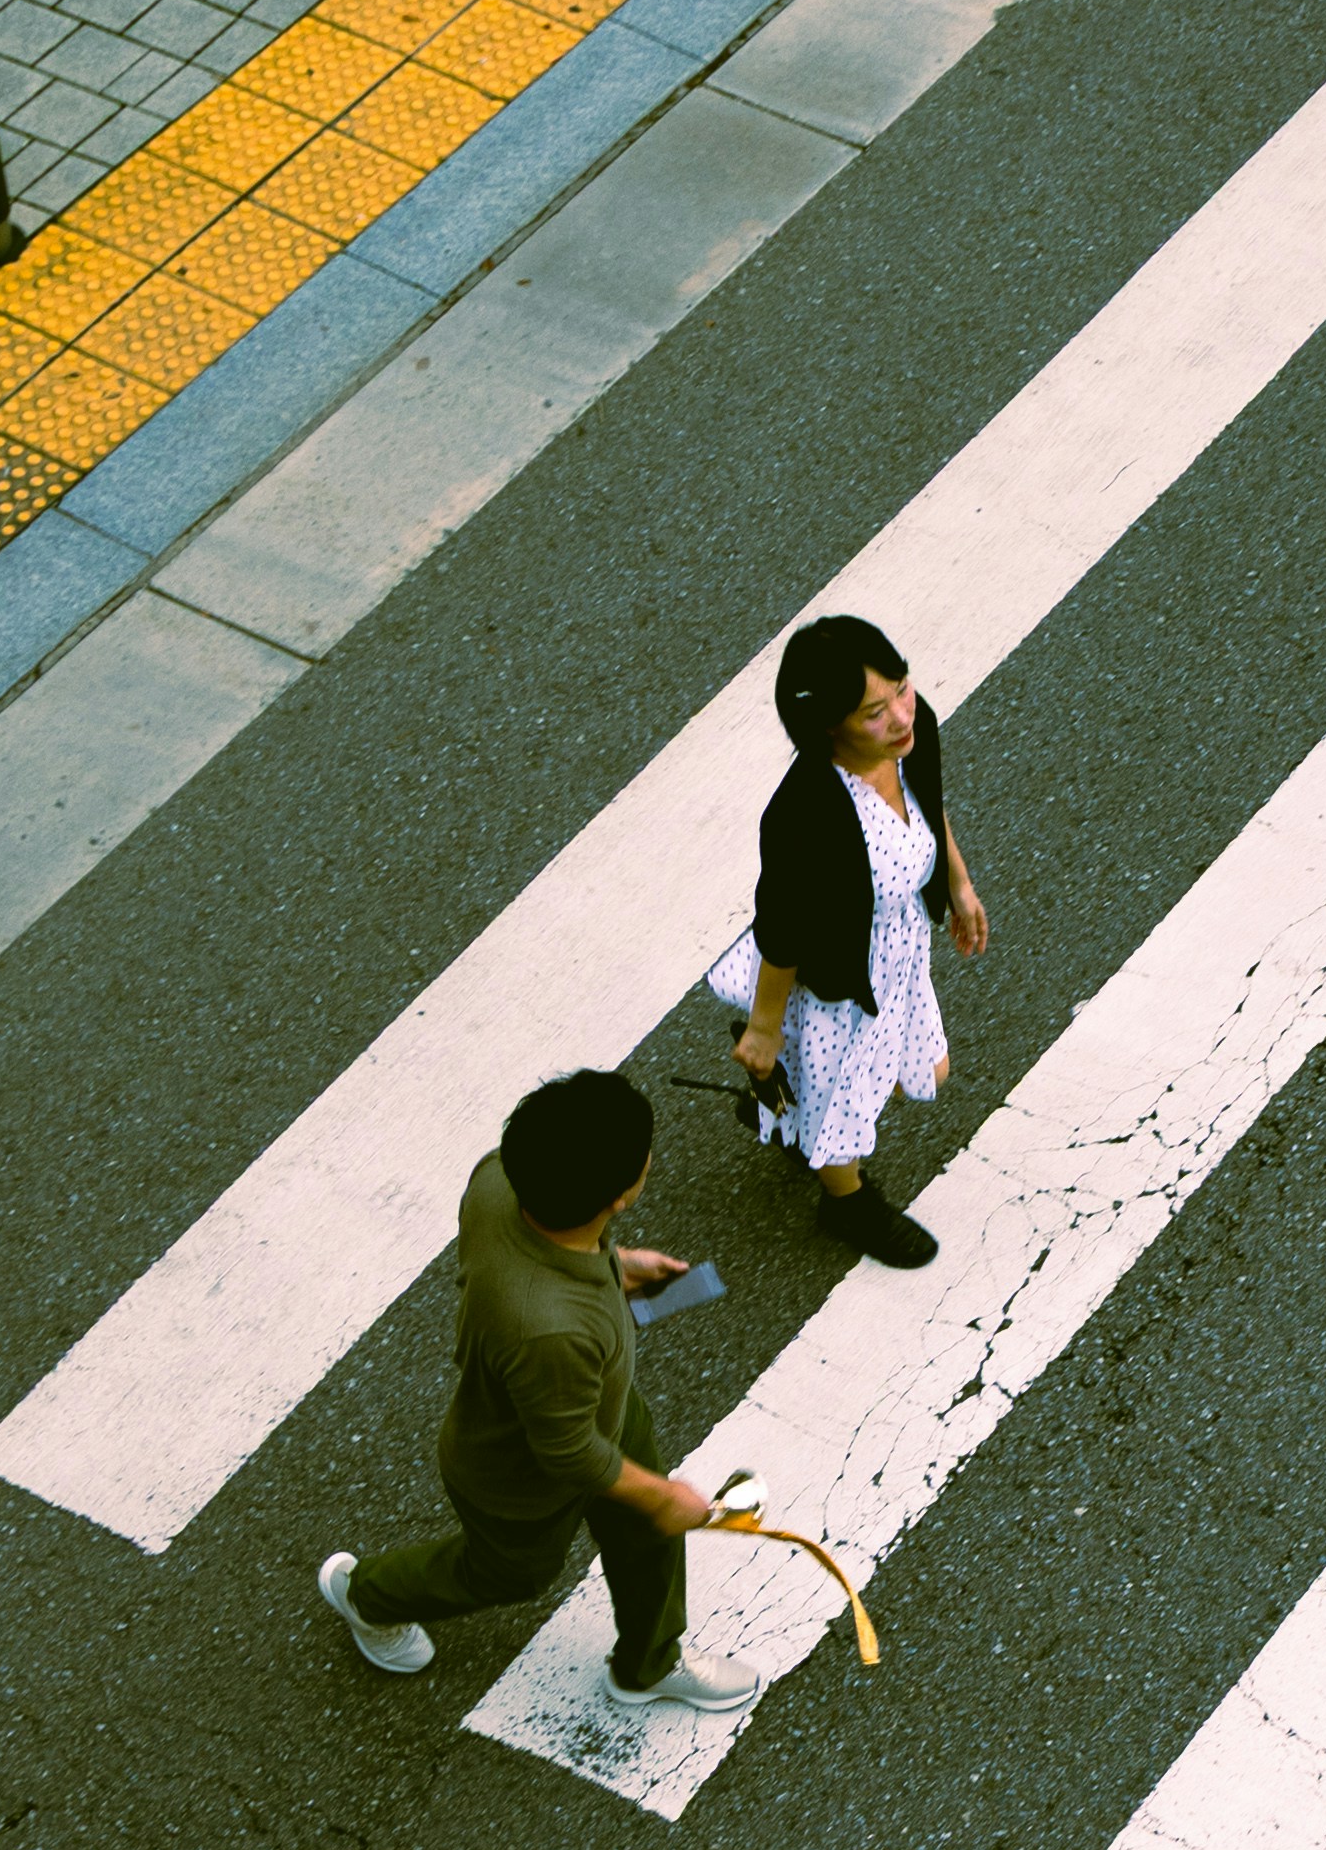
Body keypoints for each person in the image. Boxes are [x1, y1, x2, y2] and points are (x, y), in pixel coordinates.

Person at [317, 1069, 757, 1703]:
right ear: (620, 1195)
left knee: (645, 1537)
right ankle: (367, 1596)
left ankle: (651, 1662)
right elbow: (568, 1450)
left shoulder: (498, 1180)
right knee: (510, 1572)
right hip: (522, 1473)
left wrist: (612, 1261)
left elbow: (538, 1252)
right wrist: (662, 1497)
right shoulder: (552, 1333)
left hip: (592, 1408)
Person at [711, 612, 986, 1270]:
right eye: (873, 711)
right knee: (847, 1105)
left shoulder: (911, 739)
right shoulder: (807, 811)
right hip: (836, 978)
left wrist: (960, 883)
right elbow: (783, 930)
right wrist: (766, 1027)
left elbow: (930, 799)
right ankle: (845, 1201)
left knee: (925, 1070)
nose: (900, 715)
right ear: (828, 724)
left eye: (901, 686)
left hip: (898, 954)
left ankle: (785, 1099)